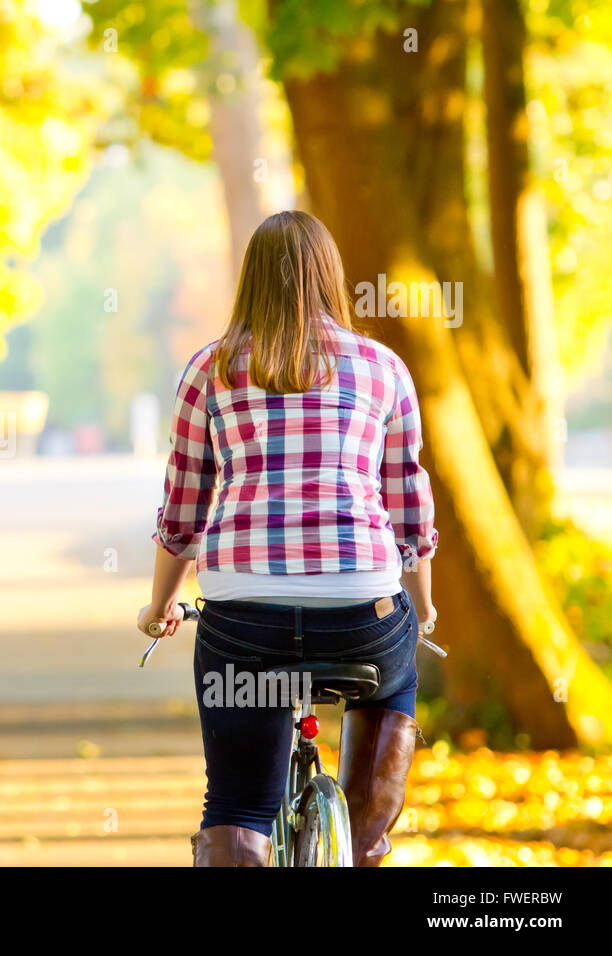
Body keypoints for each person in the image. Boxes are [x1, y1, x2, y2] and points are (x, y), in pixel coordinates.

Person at [137, 210, 438, 867]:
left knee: (238, 807)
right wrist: (423, 602)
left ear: (252, 283)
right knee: (394, 683)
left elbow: (182, 511)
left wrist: (159, 605)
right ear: (331, 279)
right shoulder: (385, 369)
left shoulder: (208, 370)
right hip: (363, 613)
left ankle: (240, 837)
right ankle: (361, 842)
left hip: (245, 619)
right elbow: (409, 510)